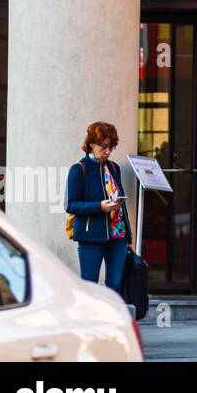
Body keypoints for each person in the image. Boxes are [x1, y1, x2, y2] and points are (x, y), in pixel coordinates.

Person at [65, 121, 132, 301]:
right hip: (91, 236)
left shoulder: (114, 167)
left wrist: (128, 236)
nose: (108, 151)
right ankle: (87, 324)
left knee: (115, 285)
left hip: (118, 235)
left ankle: (112, 325)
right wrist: (99, 207)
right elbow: (70, 205)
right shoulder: (79, 169)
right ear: (91, 144)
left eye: (111, 147)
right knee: (90, 285)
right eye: (103, 147)